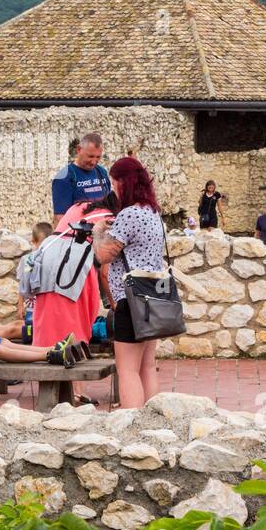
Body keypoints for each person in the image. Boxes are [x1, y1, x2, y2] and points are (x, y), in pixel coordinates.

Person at [91, 158, 169, 409]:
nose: (113, 189)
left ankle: (132, 421)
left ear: (124, 182)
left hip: (130, 298)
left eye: (114, 183)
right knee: (147, 366)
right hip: (154, 294)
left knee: (127, 370)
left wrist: (98, 232)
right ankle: (154, 420)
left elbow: (103, 256)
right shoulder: (152, 212)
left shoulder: (128, 214)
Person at [32, 196, 117, 406]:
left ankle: (60, 390)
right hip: (74, 266)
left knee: (49, 325)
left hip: (49, 259)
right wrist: (114, 304)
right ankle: (76, 392)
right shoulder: (109, 218)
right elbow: (105, 271)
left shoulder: (79, 207)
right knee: (75, 325)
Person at [51, 132, 111, 217]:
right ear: (79, 149)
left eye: (98, 157)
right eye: (90, 156)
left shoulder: (102, 172)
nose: (94, 162)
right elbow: (60, 217)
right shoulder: (64, 177)